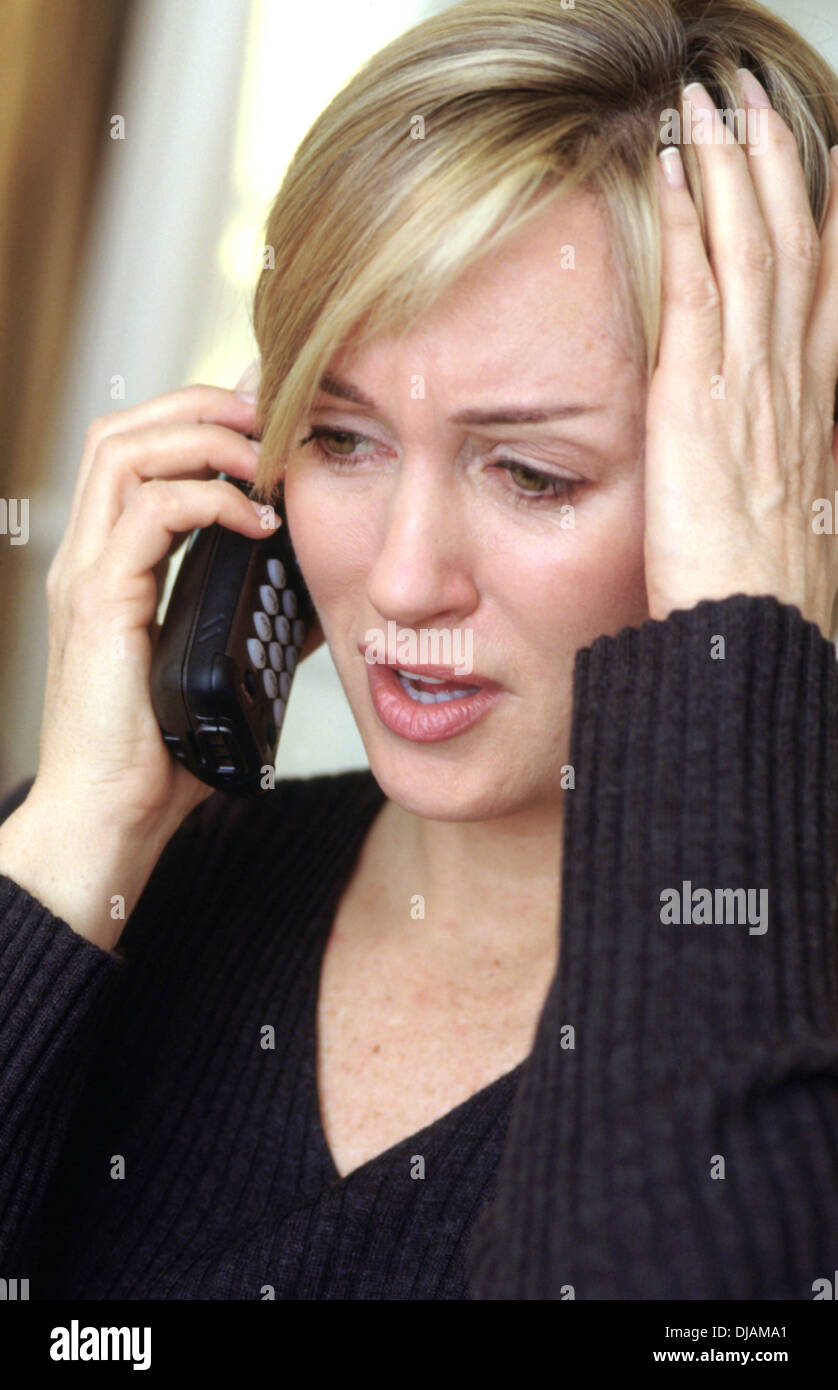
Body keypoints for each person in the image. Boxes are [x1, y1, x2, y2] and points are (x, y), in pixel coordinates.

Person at [1, 0, 838, 1300]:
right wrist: (75, 841)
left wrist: (740, 653)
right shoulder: (91, 877)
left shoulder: (778, 1001)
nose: (397, 577)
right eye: (340, 440)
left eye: (531, 471)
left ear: (772, 484)